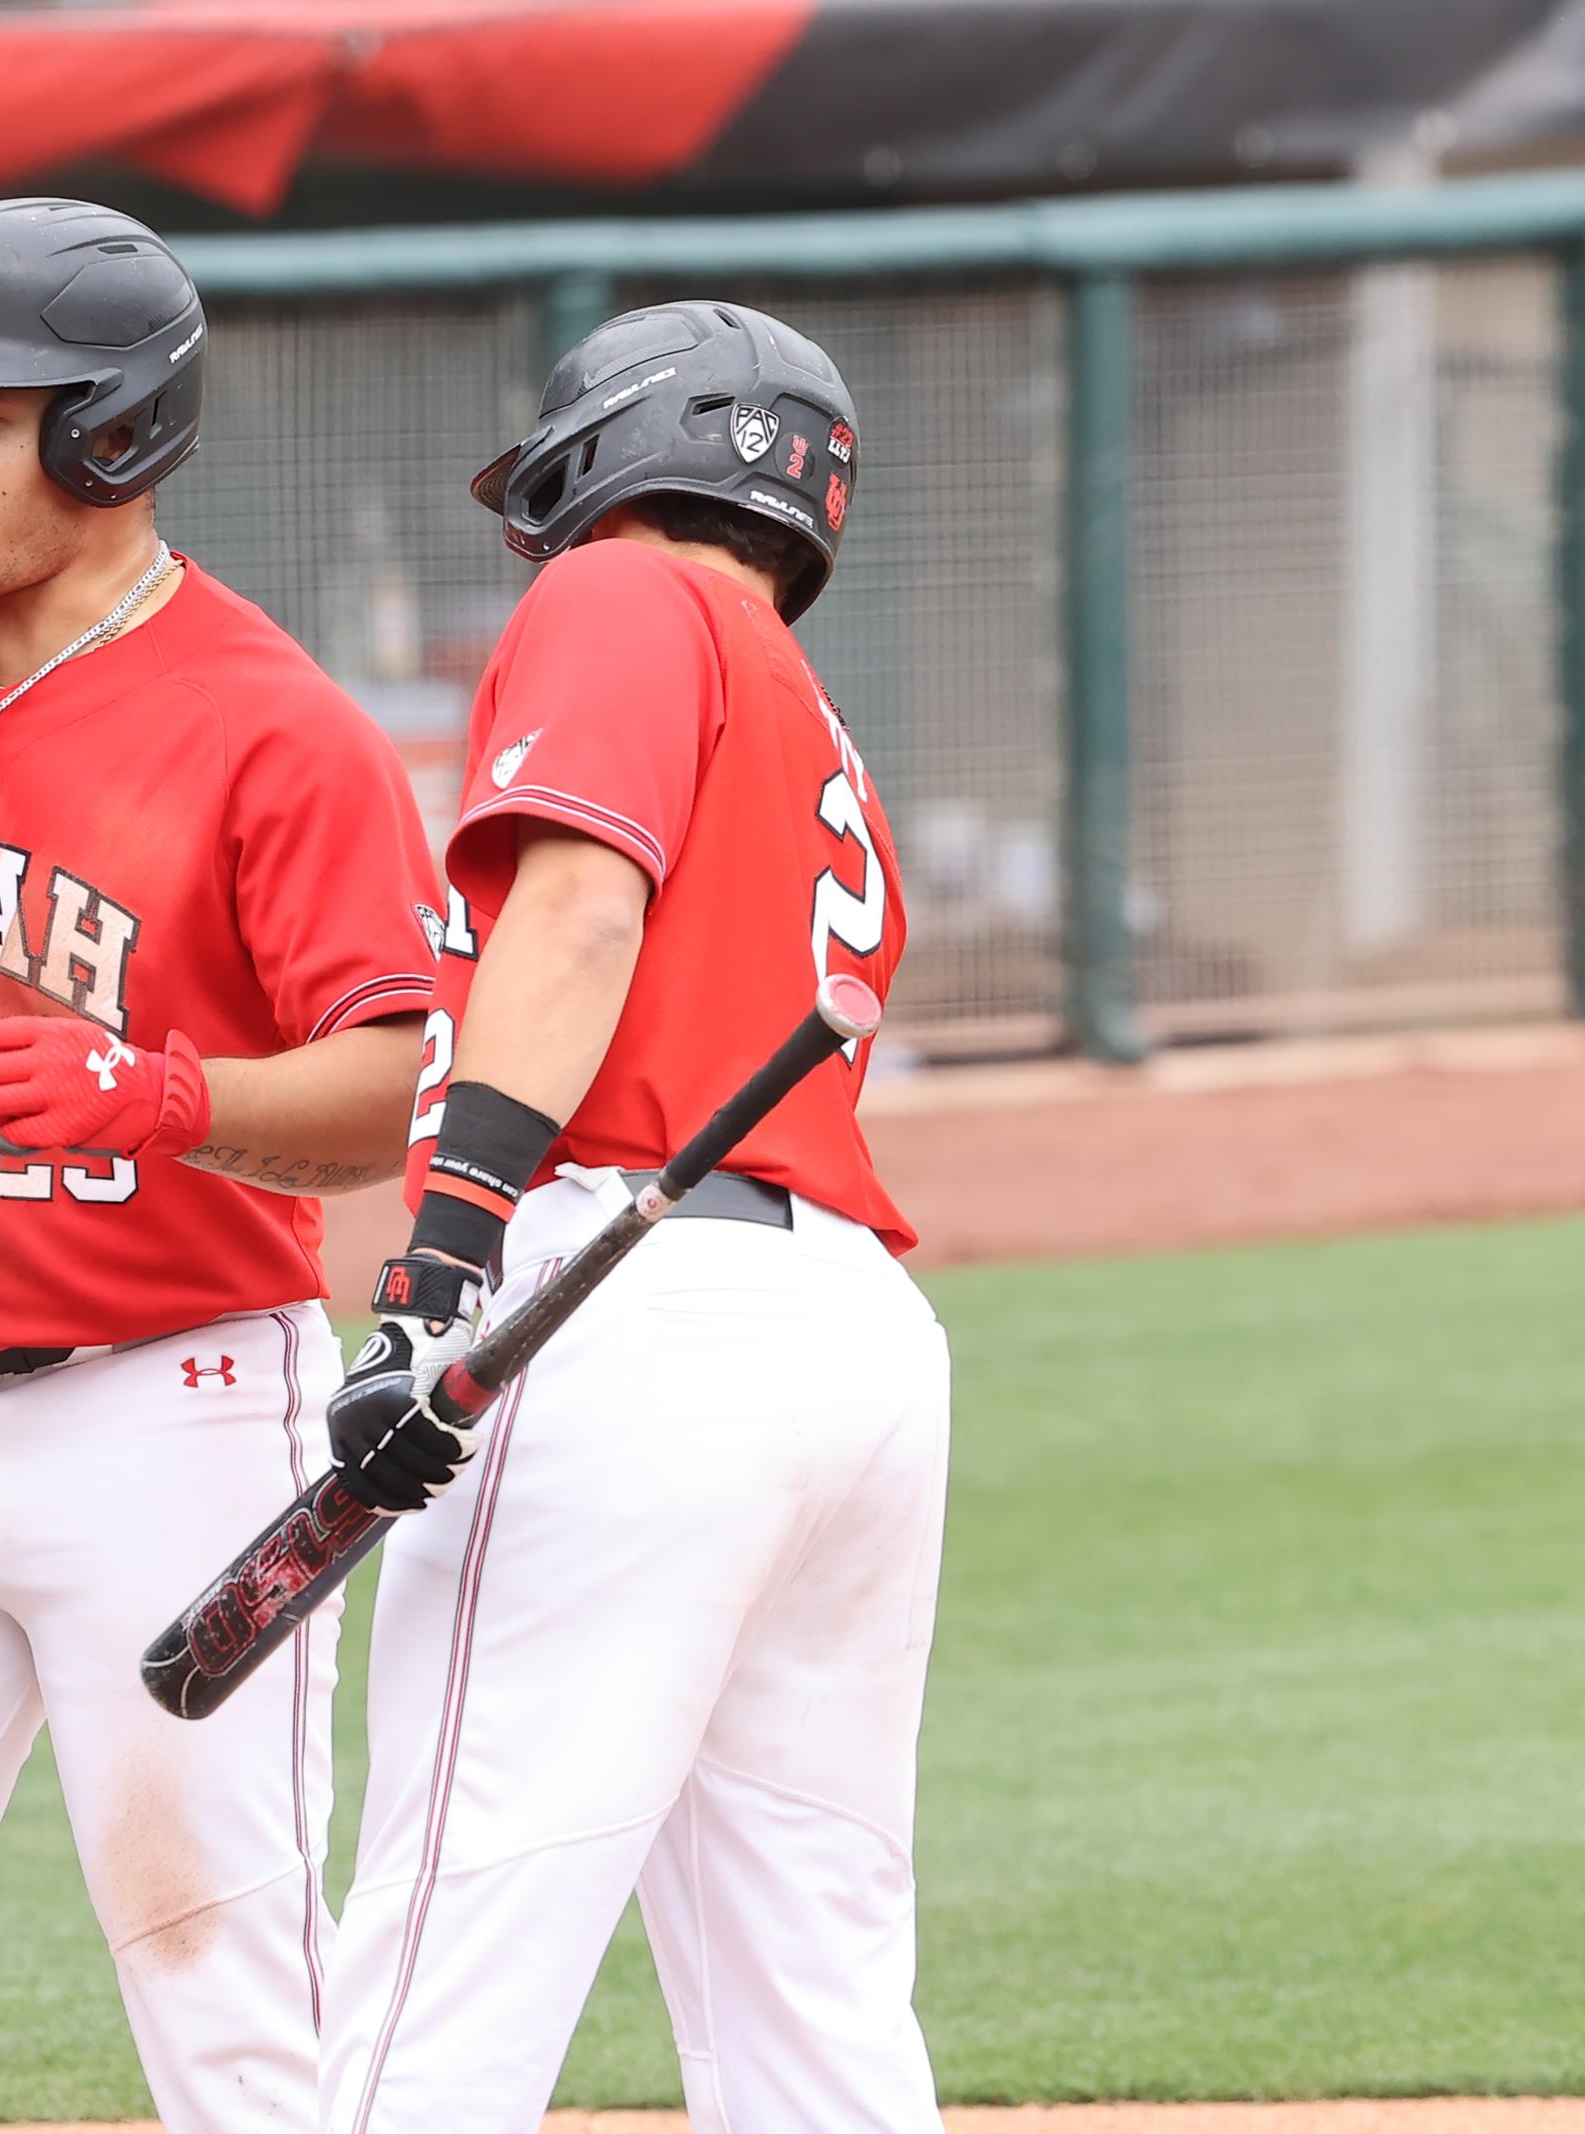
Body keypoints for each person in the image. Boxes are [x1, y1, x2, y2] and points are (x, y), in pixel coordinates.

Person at [0, 198, 445, 2134]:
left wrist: (163, 1097)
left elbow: (395, 1079)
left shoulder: (271, 722)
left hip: (171, 1414)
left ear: (114, 430)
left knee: (223, 1988)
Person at [319, 300, 949, 2133]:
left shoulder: (620, 593)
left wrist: (435, 1276)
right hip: (846, 1339)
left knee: (449, 1943)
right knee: (813, 1986)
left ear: (617, 452)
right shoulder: (812, 720)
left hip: (626, 1305)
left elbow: (581, 917)